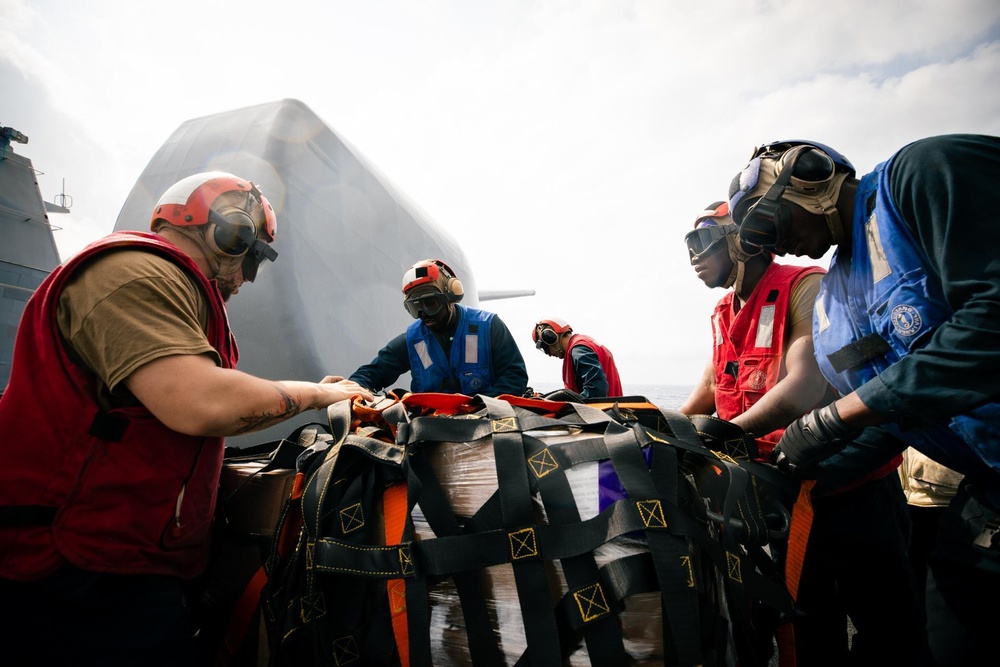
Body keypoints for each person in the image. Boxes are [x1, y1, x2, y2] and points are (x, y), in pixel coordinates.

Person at [0, 171, 373, 665]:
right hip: (74, 571)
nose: (245, 279)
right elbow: (202, 403)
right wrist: (314, 395)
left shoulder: (170, 287)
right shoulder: (135, 273)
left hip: (117, 562)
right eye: (252, 257)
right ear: (229, 233)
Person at [728, 135, 1000, 666]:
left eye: (773, 224)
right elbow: (888, 417)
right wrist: (782, 470)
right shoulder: (836, 300)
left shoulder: (923, 175)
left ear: (809, 175)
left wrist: (833, 418)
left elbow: (990, 320)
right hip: (987, 497)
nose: (777, 247)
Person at [679, 199, 926, 666]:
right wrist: (655, 427)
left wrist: (725, 437)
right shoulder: (722, 312)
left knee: (890, 630)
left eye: (701, 241)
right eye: (687, 245)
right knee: (808, 623)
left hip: (849, 492)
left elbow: (804, 387)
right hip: (781, 492)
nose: (693, 255)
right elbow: (710, 389)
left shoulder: (803, 287)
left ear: (743, 239)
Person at [350, 258, 528, 397]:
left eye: (430, 303)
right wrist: (351, 391)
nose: (424, 313)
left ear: (450, 296)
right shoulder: (412, 340)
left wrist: (478, 406)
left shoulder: (488, 326)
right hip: (432, 428)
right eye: (416, 307)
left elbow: (515, 376)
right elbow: (372, 373)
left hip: (486, 423)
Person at [532, 317, 623, 398]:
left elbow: (596, 391)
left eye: (545, 348)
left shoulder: (579, 350)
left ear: (551, 338)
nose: (549, 354)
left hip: (601, 414)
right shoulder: (584, 343)